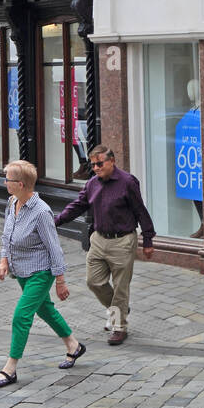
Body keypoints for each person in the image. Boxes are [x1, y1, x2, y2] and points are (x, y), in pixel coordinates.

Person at [0, 160, 85, 388]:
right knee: (45, 310)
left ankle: (9, 369)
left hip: (41, 272)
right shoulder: (12, 202)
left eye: (8, 179)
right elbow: (6, 236)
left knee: (21, 315)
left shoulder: (41, 212)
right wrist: (3, 262)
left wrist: (60, 280)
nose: (4, 183)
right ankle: (73, 345)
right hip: (21, 270)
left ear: (20, 184)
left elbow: (55, 248)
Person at [54, 144, 155, 344]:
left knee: (120, 288)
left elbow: (140, 210)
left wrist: (148, 239)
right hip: (99, 239)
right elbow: (78, 205)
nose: (96, 168)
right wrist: (55, 221)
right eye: (93, 165)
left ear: (112, 161)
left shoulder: (127, 182)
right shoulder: (92, 183)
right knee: (94, 282)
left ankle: (119, 327)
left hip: (123, 240)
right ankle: (121, 309)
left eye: (100, 163)